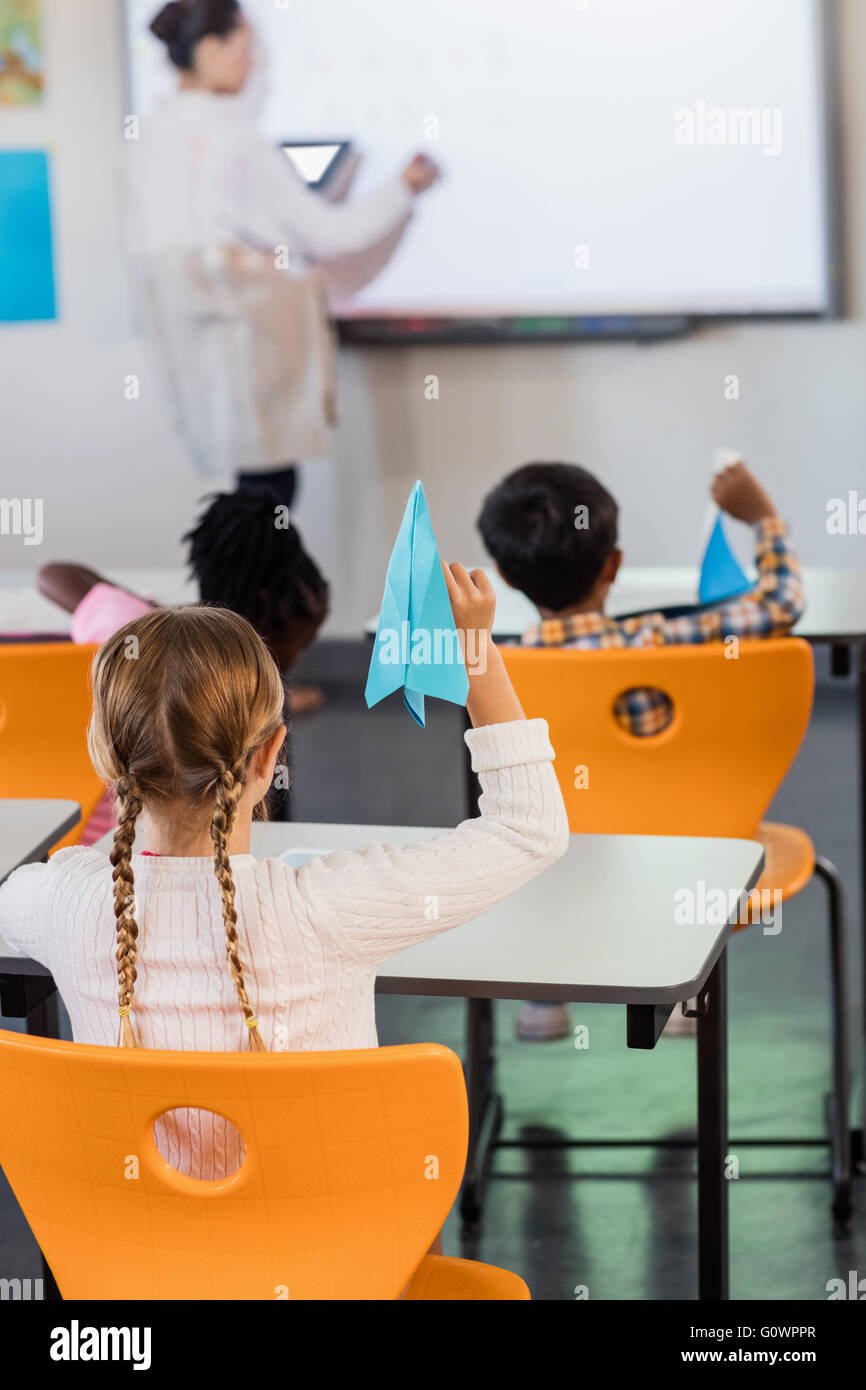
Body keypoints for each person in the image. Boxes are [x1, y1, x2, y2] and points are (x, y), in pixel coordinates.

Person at [0, 581, 569, 1185]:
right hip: (341, 1269)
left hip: (129, 1269)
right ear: (271, 754)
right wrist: (475, 649)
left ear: (105, 760)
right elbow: (528, 828)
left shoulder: (64, 900)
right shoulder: (327, 909)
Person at [477, 457, 805, 1041]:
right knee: (672, 823)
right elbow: (782, 603)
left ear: (503, 573)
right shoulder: (661, 638)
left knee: (521, 820)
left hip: (554, 872)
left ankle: (544, 997)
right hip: (695, 864)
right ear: (614, 564)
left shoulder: (494, 671)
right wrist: (764, 519)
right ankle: (683, 980)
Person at [133, 0, 439, 506]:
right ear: (212, 51)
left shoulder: (149, 141)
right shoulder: (233, 140)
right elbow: (330, 234)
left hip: (197, 363)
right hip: (252, 352)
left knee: (247, 499)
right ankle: (255, 588)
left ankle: (234, 587)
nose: (254, 67)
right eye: (247, 51)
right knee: (267, 497)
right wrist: (403, 187)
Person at [37, 487, 330, 833]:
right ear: (267, 610)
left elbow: (52, 574)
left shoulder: (141, 639)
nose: (291, 664)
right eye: (302, 643)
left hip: (87, 835)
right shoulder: (245, 718)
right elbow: (266, 832)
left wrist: (152, 617)